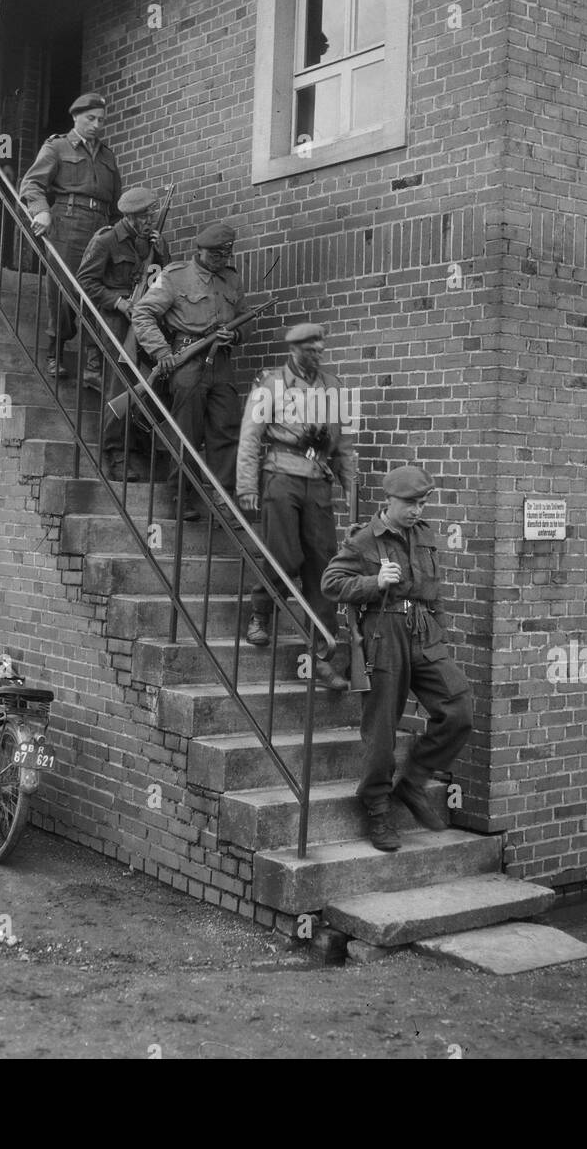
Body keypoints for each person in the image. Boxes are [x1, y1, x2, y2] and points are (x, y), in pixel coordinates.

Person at [320, 465, 472, 852]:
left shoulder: (423, 534)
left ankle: (413, 782)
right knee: (383, 731)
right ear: (389, 500)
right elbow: (331, 583)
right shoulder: (364, 540)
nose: (417, 510)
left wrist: (438, 628)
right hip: (383, 633)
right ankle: (377, 810)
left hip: (423, 632)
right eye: (410, 503)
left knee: (458, 707)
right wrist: (374, 583)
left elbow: (432, 590)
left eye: (422, 502)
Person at [236, 323, 355, 691]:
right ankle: (261, 614)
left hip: (318, 481)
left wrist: (352, 491)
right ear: (294, 349)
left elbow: (345, 446)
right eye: (310, 349)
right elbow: (250, 436)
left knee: (324, 565)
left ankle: (322, 657)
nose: (317, 354)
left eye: (320, 348)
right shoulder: (270, 384)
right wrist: (246, 486)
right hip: (281, 476)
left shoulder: (335, 388)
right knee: (283, 555)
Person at [127, 221, 244, 520]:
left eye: (225, 255)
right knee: (185, 432)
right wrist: (161, 352)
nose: (220, 261)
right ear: (200, 250)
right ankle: (182, 496)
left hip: (221, 362)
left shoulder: (230, 279)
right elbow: (142, 313)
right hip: (187, 361)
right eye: (214, 255)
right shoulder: (177, 276)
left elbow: (243, 317)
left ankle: (225, 501)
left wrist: (237, 335)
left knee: (227, 430)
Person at [19, 92, 124, 378]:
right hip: (69, 222)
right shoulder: (57, 147)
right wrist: (41, 211)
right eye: (90, 118)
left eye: (101, 120)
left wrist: (120, 235)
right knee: (64, 289)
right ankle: (55, 352)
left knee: (97, 289)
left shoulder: (107, 156)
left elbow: (116, 204)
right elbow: (31, 184)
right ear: (75, 117)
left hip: (102, 227)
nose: (96, 125)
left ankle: (93, 364)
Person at [75, 186, 171, 481]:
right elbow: (84, 282)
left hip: (142, 321)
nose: (151, 220)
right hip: (114, 321)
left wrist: (162, 254)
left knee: (148, 381)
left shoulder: (147, 244)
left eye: (153, 214)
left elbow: (157, 283)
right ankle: (115, 453)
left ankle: (140, 443)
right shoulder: (106, 240)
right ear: (130, 217)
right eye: (146, 216)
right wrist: (118, 302)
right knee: (118, 388)